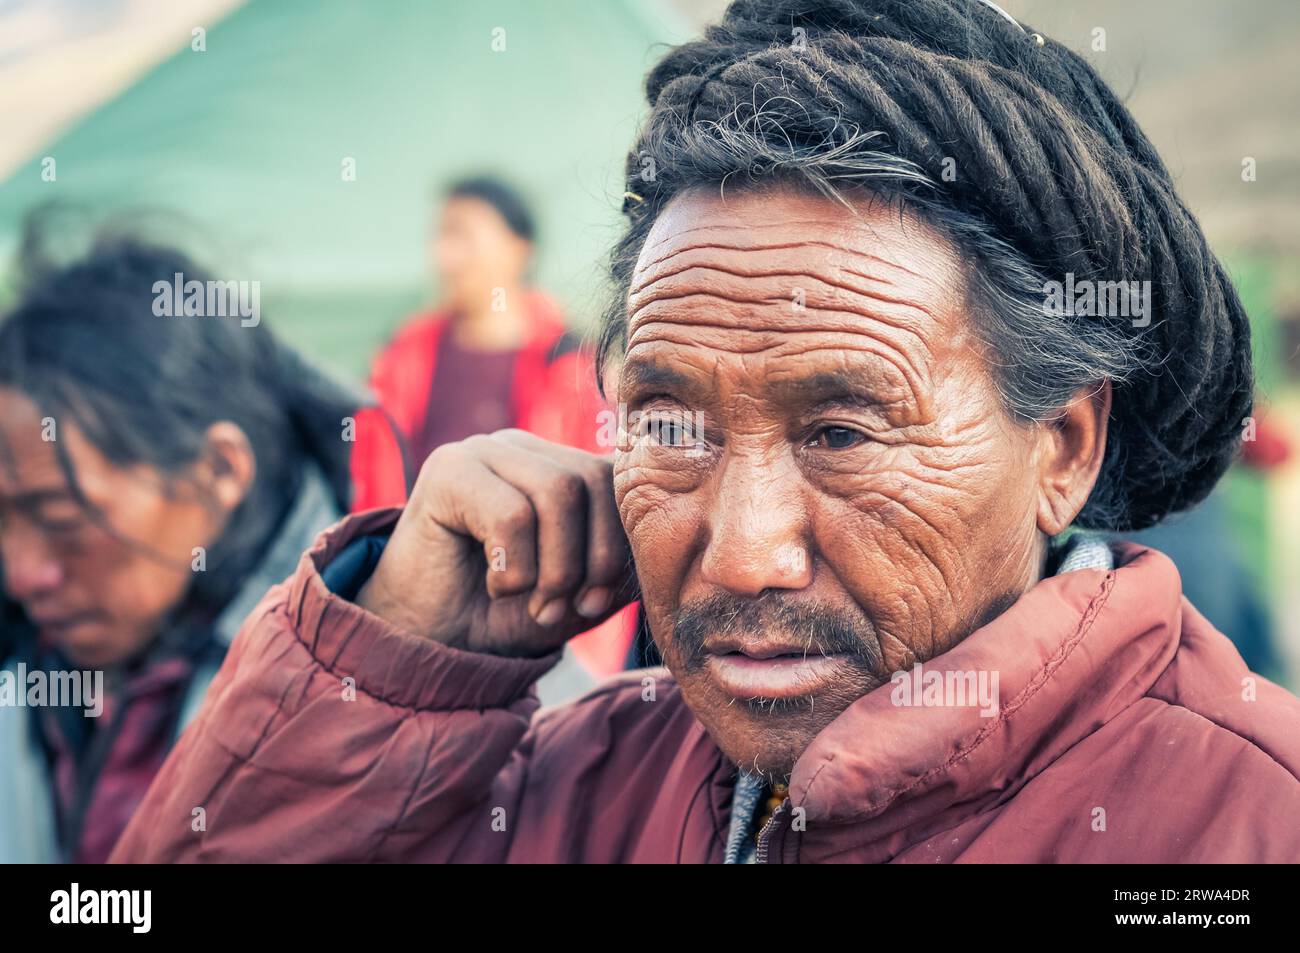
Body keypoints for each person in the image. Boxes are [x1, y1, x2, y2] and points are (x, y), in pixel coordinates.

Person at [113, 0, 1300, 863]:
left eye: (839, 431)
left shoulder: (1246, 818)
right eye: (670, 423)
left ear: (1063, 450)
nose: (739, 554)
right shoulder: (564, 777)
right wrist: (398, 663)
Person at [0, 224, 358, 862]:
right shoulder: (32, 669)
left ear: (219, 469)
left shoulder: (394, 674)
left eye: (60, 518)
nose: (24, 575)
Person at [350, 176, 634, 686]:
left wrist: (579, 662)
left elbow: (600, 514)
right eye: (440, 237)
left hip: (534, 633)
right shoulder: (401, 359)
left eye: (462, 235)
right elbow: (371, 487)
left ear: (517, 248)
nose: (445, 255)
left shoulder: (571, 367)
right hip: (413, 619)